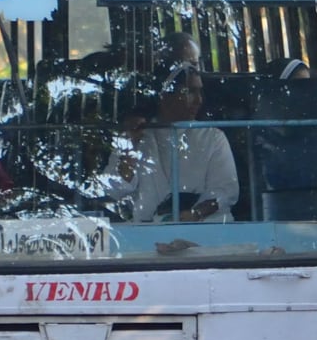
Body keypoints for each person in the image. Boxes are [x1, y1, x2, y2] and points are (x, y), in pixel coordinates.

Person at [99, 60, 239, 223]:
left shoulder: (213, 137)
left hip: (206, 231)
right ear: (165, 95)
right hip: (148, 233)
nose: (198, 100)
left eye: (199, 92)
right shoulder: (136, 135)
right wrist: (131, 149)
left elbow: (225, 191)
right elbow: (114, 190)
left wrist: (196, 213)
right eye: (190, 92)